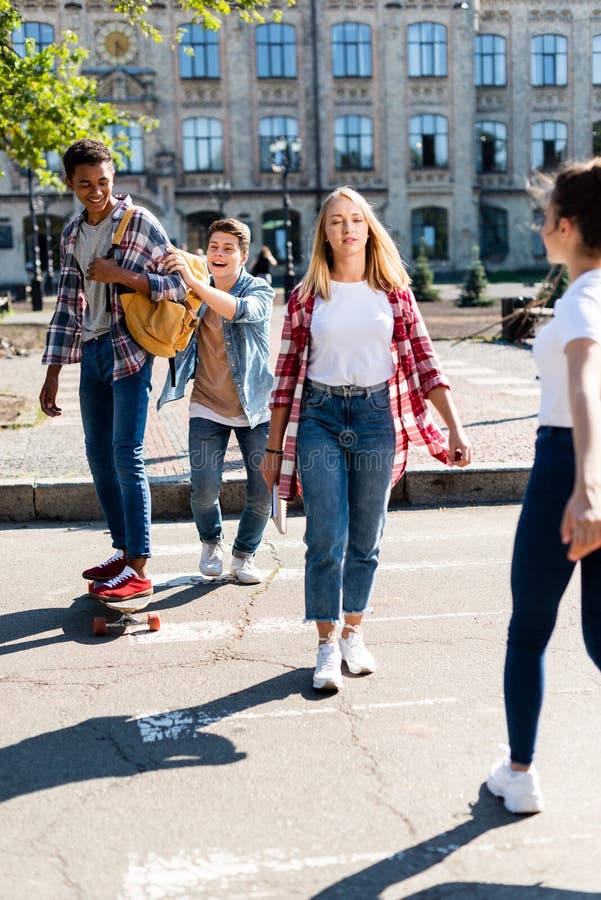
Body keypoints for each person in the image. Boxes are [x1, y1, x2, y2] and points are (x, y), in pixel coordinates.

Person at [260, 186, 472, 691]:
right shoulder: (305, 296)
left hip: (378, 417)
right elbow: (285, 378)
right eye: (336, 221)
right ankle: (326, 645)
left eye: (356, 219)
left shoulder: (394, 291)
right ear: (324, 233)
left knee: (367, 536)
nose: (347, 228)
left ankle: (354, 631)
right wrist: (271, 450)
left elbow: (425, 364)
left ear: (368, 228)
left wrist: (455, 427)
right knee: (325, 535)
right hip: (320, 417)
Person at [486, 158, 601, 814]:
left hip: (566, 463)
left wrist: (584, 489)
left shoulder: (582, 295)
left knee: (529, 629)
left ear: (562, 225)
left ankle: (519, 773)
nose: (538, 225)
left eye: (541, 216)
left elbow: (583, 379)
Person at [39, 139, 186, 602]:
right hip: (92, 352)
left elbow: (180, 285)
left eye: (103, 182)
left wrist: (123, 276)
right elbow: (67, 304)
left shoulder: (139, 222)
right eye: (85, 184)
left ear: (113, 178)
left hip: (130, 354)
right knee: (98, 456)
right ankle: (122, 552)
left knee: (127, 454)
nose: (96, 191)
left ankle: (139, 566)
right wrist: (52, 371)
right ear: (70, 183)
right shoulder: (72, 234)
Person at [160, 219, 274, 584]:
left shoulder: (260, 289)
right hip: (207, 403)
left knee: (262, 491)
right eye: (213, 247)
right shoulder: (194, 291)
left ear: (243, 256)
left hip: (254, 408)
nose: (219, 254)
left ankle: (244, 555)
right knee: (204, 488)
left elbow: (240, 310)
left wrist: (195, 285)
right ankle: (211, 542)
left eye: (228, 249)